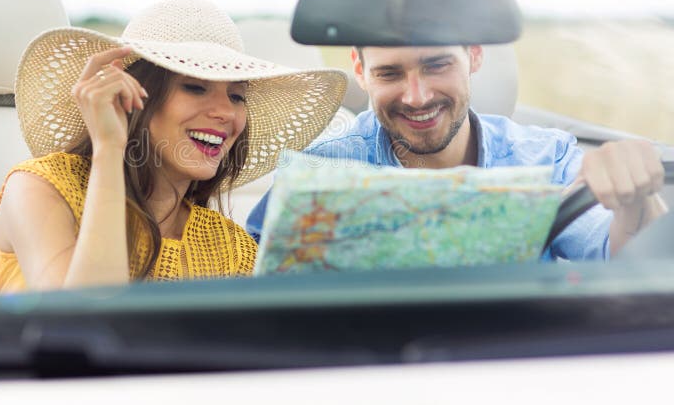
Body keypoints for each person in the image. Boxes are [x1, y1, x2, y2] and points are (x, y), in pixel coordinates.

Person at [0, 0, 347, 296]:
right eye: (195, 87)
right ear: (137, 97)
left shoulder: (231, 247)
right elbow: (79, 321)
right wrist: (109, 148)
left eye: (236, 96)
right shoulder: (40, 188)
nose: (225, 113)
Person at [247, 44, 668, 259]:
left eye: (436, 65)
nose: (416, 97)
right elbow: (259, 288)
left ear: (475, 55)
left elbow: (614, 257)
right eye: (390, 73)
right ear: (360, 72)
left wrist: (634, 200)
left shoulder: (547, 158)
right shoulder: (319, 170)